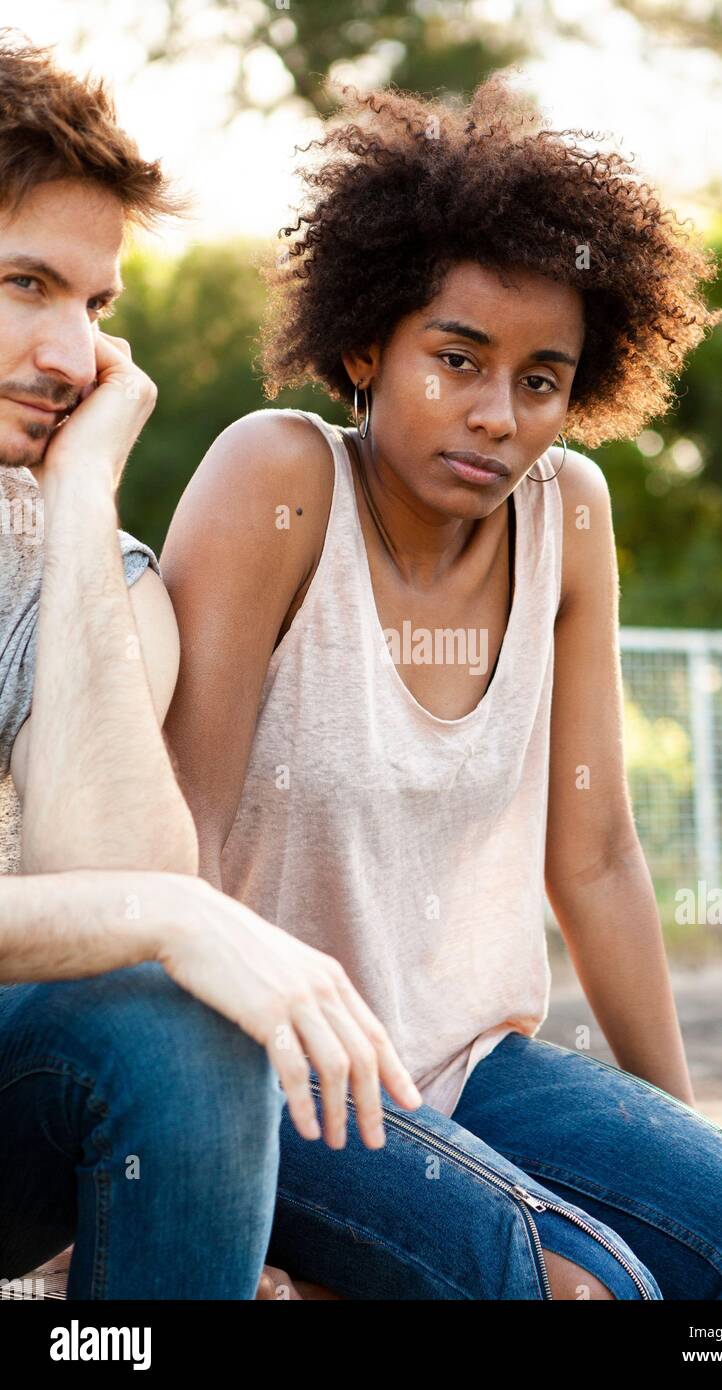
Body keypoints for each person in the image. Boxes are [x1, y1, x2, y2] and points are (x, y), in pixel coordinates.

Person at [161, 74, 722, 1301]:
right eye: (457, 359)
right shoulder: (272, 485)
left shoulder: (567, 517)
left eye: (541, 378)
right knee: (579, 1290)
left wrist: (695, 1158)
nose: (496, 415)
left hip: (475, 1060)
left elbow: (592, 855)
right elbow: (174, 849)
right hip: (276, 1069)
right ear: (367, 342)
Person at [0, 31, 421, 1302]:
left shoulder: (94, 569)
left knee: (183, 1029)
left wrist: (76, 507)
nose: (76, 360)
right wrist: (183, 912)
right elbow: (151, 905)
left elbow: (109, 882)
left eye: (96, 307)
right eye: (27, 285)